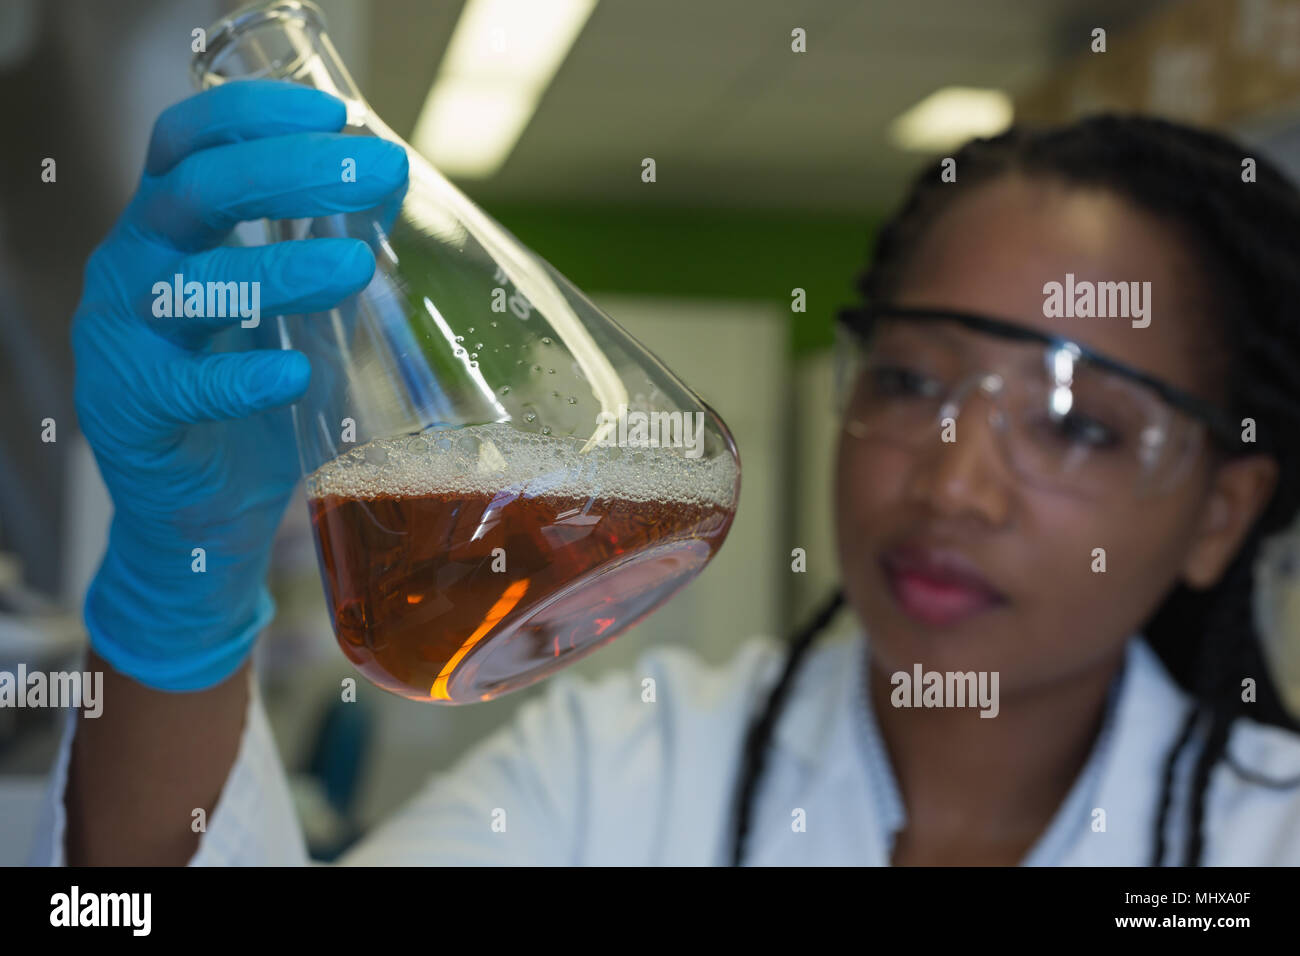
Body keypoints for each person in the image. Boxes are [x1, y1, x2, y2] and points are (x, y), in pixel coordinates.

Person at [30, 81, 1300, 866]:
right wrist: (178, 598)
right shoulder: (623, 762)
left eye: (1077, 425)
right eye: (912, 381)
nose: (953, 485)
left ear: (1221, 514)